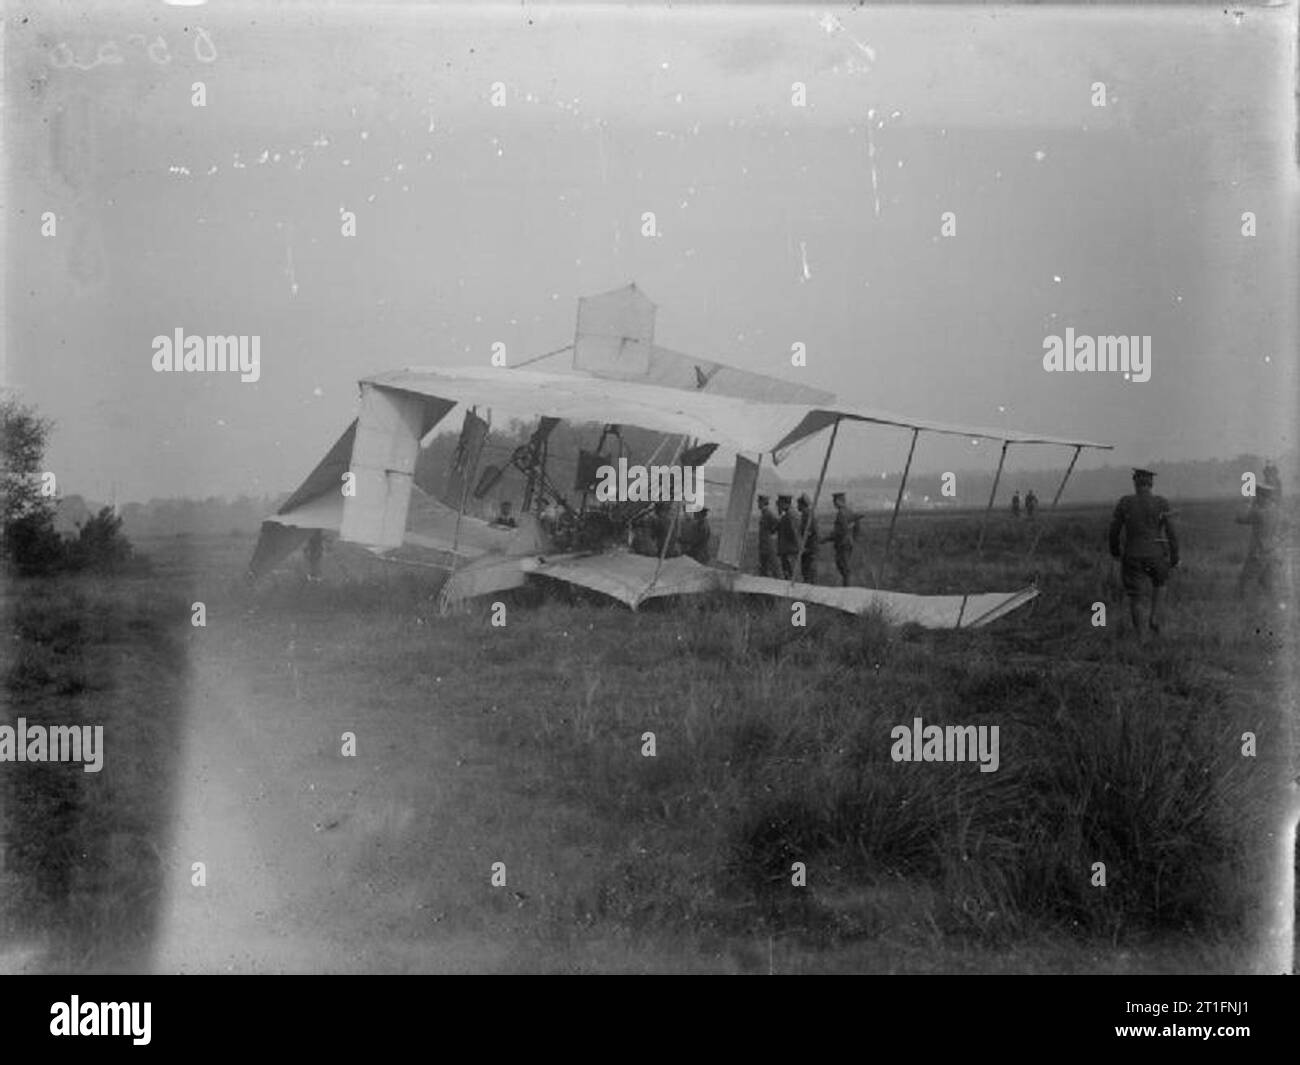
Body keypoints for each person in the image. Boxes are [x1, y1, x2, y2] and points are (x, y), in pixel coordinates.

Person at [1108, 468, 1179, 638]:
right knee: (1160, 584)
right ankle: (1154, 618)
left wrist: (1115, 551)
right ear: (1151, 484)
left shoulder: (1125, 502)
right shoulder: (1161, 502)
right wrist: (1175, 556)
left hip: (1132, 554)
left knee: (1136, 597)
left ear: (1135, 483)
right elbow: (1171, 532)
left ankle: (1141, 637)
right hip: (1157, 554)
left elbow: (1114, 531)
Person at [1236, 482, 1281, 596]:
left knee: (1246, 581)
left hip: (1258, 552)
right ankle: (1272, 603)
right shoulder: (1275, 509)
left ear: (1262, 496)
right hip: (1272, 551)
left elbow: (1240, 518)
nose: (1256, 497)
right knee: (1268, 583)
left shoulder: (1258, 512)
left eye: (1258, 495)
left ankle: (1244, 604)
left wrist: (1247, 504)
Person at [822, 491, 862, 587]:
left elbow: (839, 532)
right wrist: (853, 538)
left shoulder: (841, 514)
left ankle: (847, 587)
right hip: (848, 542)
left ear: (839, 501)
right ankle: (846, 586)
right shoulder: (850, 511)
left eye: (834, 501)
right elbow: (857, 525)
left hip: (842, 543)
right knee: (844, 565)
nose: (834, 504)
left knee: (843, 566)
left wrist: (826, 539)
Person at [797, 493, 819, 584]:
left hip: (809, 548)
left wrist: (805, 545)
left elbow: (811, 530)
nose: (797, 506)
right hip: (808, 548)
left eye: (798, 504)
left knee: (808, 573)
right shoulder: (807, 513)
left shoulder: (807, 514)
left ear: (802, 504)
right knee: (807, 572)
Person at [776, 495, 800, 579]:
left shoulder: (789, 516)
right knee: (790, 575)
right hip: (789, 551)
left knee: (791, 576)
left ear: (785, 503)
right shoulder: (788, 515)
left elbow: (794, 533)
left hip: (790, 552)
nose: (778, 505)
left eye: (779, 503)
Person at [756, 494, 779, 577]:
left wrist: (772, 532)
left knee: (769, 568)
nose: (758, 504)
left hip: (767, 546)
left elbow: (777, 523)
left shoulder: (768, 513)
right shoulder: (764, 513)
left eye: (759, 502)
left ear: (763, 502)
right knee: (763, 568)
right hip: (763, 545)